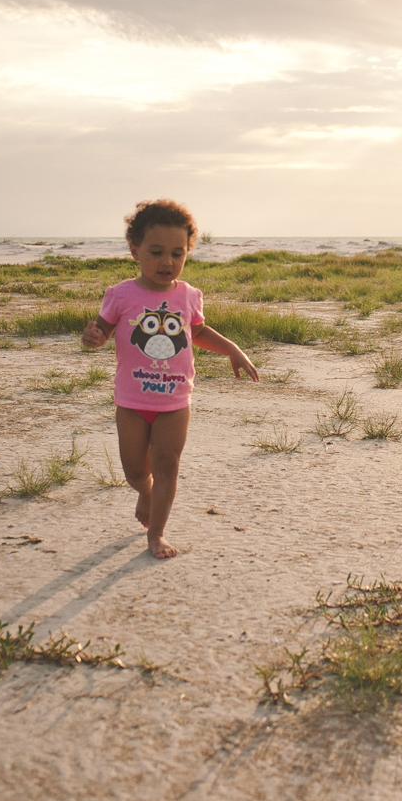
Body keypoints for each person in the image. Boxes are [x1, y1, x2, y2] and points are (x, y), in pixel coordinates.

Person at [81, 199, 258, 559]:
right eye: (157, 251)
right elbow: (101, 330)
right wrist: (93, 337)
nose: (168, 262)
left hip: (175, 402)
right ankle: (144, 493)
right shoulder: (120, 294)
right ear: (135, 250)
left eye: (178, 253)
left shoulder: (189, 295)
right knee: (135, 472)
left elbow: (199, 332)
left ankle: (156, 535)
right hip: (131, 402)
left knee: (166, 463)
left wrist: (233, 349)